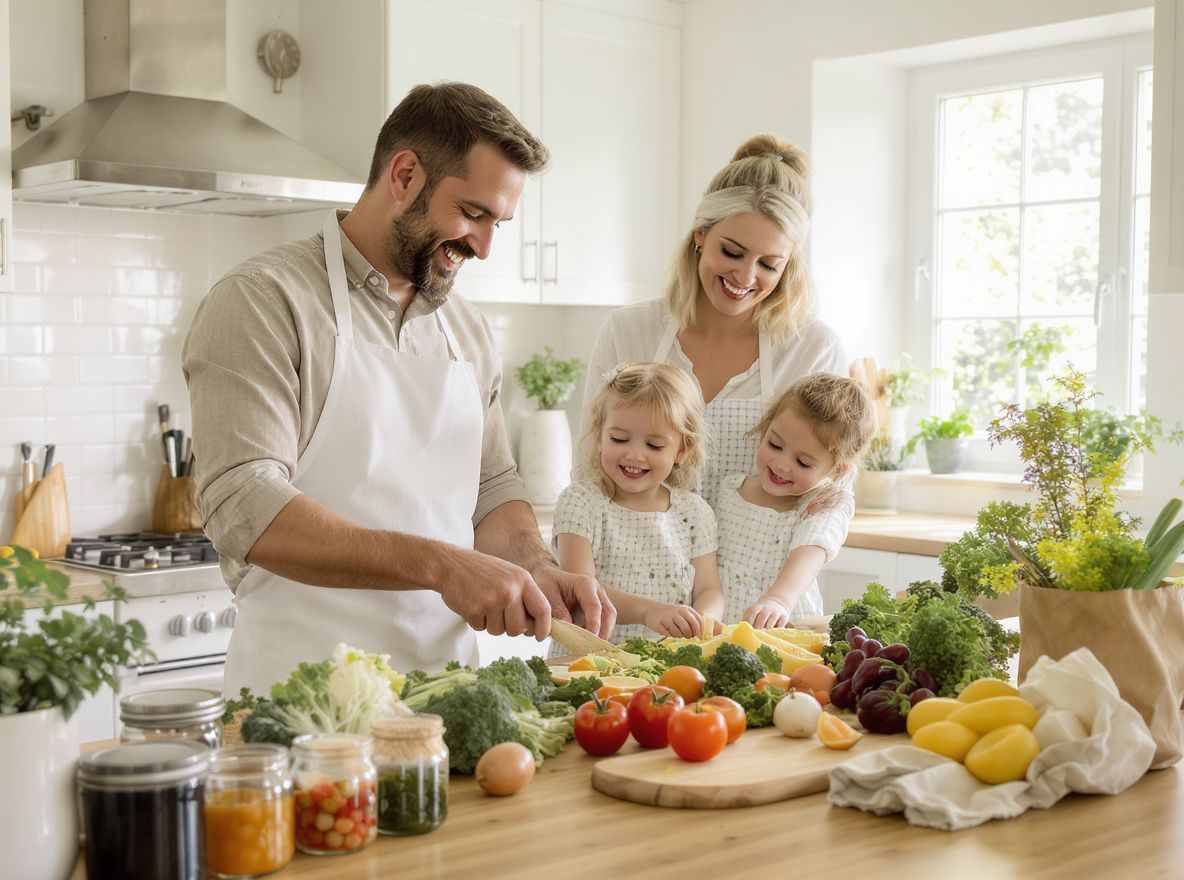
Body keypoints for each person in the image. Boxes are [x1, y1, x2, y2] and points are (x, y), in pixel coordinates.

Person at [182, 82, 613, 695]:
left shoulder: (467, 328)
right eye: (473, 213)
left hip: (446, 700)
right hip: (301, 704)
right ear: (405, 174)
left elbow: (493, 489)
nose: (485, 247)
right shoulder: (263, 301)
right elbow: (247, 509)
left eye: (500, 223)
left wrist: (538, 566)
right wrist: (441, 565)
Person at [581, 134, 847, 510]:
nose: (745, 276)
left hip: (767, 568)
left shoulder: (813, 349)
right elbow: (589, 474)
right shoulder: (629, 330)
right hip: (636, 567)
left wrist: (794, 573)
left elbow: (829, 498)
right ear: (701, 235)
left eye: (769, 264)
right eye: (732, 252)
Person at [553, 362, 723, 643]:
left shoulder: (695, 513)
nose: (634, 454)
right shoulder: (581, 503)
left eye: (654, 446)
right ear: (599, 436)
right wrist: (650, 612)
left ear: (682, 450)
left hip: (669, 663)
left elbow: (709, 590)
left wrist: (703, 621)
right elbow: (580, 591)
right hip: (592, 660)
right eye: (619, 439)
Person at [717, 374, 875, 628]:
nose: (780, 464)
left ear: (837, 471)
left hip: (786, 627)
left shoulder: (820, 506)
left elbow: (812, 550)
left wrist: (779, 600)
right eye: (775, 444)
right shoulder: (729, 489)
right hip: (724, 624)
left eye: (803, 462)